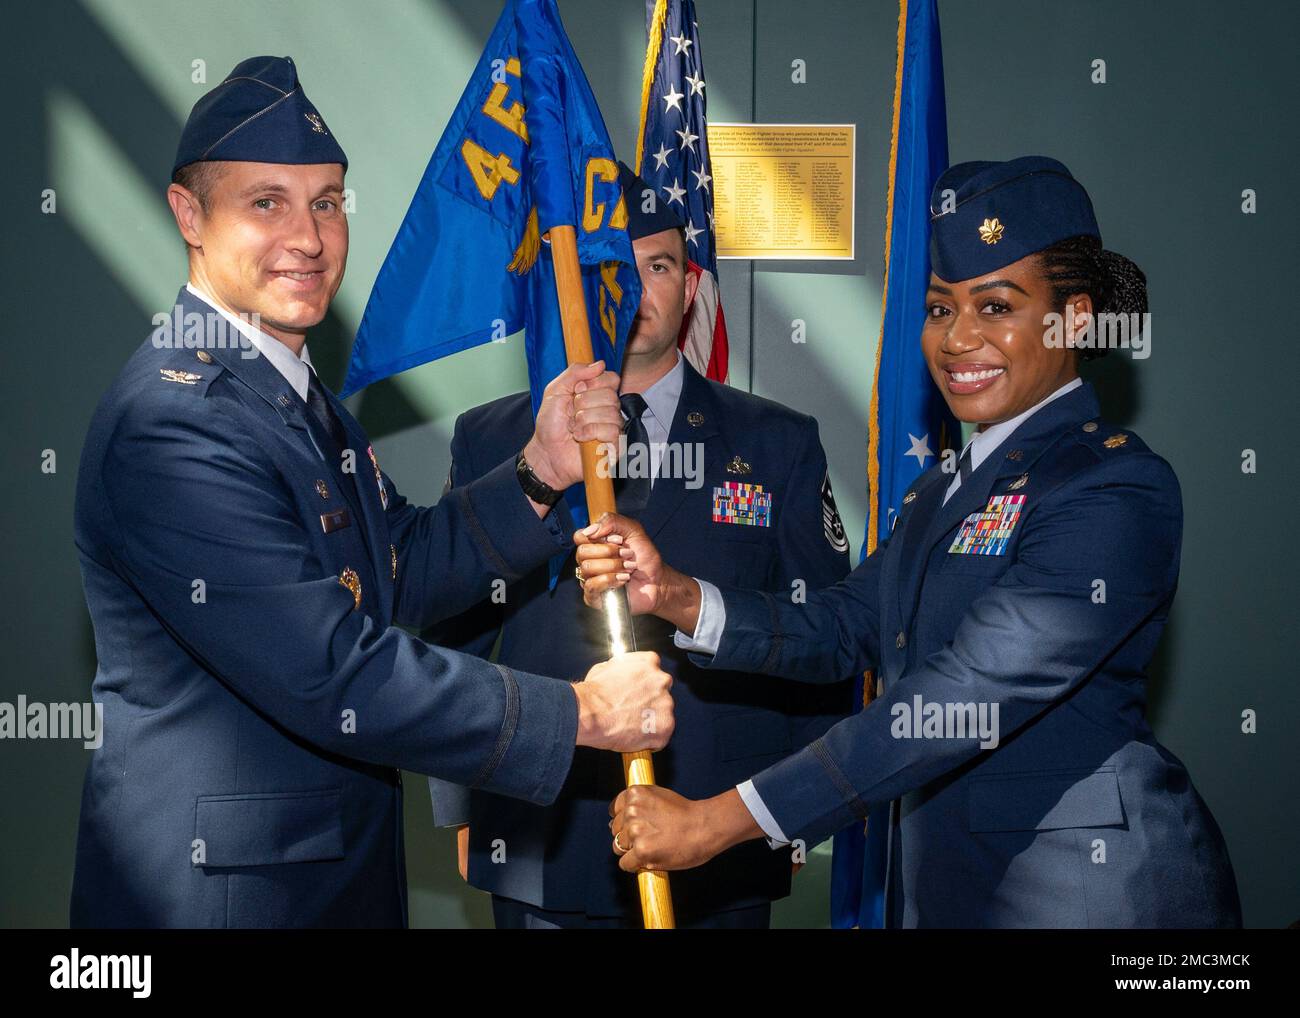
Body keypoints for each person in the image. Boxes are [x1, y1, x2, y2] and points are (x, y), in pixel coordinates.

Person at [70, 56, 672, 929]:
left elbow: (398, 571)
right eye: (266, 202)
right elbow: (330, 667)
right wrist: (577, 712)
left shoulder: (292, 394)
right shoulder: (173, 422)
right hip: (219, 900)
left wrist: (541, 470)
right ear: (189, 215)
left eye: (326, 202)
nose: (309, 238)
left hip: (326, 876)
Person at [577, 156, 1242, 928]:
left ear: (1077, 320)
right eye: (939, 308)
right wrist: (677, 595)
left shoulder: (1114, 488)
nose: (959, 339)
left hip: (1091, 896)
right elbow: (843, 625)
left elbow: (962, 698)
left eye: (996, 307)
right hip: (951, 888)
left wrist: (723, 819)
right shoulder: (943, 489)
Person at [424, 164, 854, 929]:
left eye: (656, 266)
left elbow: (827, 639)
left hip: (716, 832)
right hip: (537, 825)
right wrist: (461, 806)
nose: (635, 291)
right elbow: (453, 629)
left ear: (690, 287)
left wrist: (791, 811)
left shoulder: (778, 442)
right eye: (610, 269)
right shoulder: (496, 439)